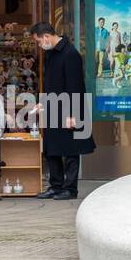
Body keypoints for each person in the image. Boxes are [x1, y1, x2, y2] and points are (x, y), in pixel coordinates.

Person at [29, 22, 95, 200]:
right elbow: (53, 83)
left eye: (38, 41)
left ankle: (70, 189)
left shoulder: (70, 54)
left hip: (69, 108)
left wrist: (73, 114)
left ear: (46, 37)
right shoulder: (52, 53)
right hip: (52, 106)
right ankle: (55, 186)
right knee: (52, 148)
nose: (39, 45)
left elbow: (75, 85)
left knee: (71, 149)